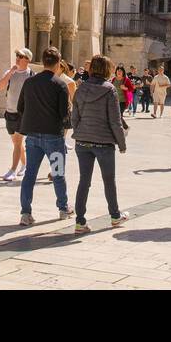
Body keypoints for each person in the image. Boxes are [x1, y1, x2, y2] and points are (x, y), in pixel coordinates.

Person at [69, 54, 128, 233]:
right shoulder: (109, 90)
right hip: (103, 142)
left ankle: (80, 221)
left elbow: (74, 116)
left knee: (84, 181)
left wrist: (80, 130)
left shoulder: (81, 88)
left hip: (82, 141)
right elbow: (115, 121)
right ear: (107, 69)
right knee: (109, 181)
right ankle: (115, 216)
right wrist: (122, 143)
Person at [16, 46, 71, 226]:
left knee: (30, 174)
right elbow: (64, 113)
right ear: (58, 63)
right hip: (53, 137)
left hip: (32, 136)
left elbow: (20, 107)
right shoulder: (60, 84)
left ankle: (26, 213)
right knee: (57, 173)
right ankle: (63, 209)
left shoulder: (30, 82)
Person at [0, 48, 34, 181]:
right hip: (9, 112)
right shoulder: (10, 72)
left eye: (21, 56)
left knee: (18, 142)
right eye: (17, 55)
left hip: (23, 114)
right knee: (16, 144)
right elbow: (0, 86)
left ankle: (12, 170)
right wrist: (10, 73)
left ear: (28, 59)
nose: (17, 57)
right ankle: (25, 165)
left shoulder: (31, 75)